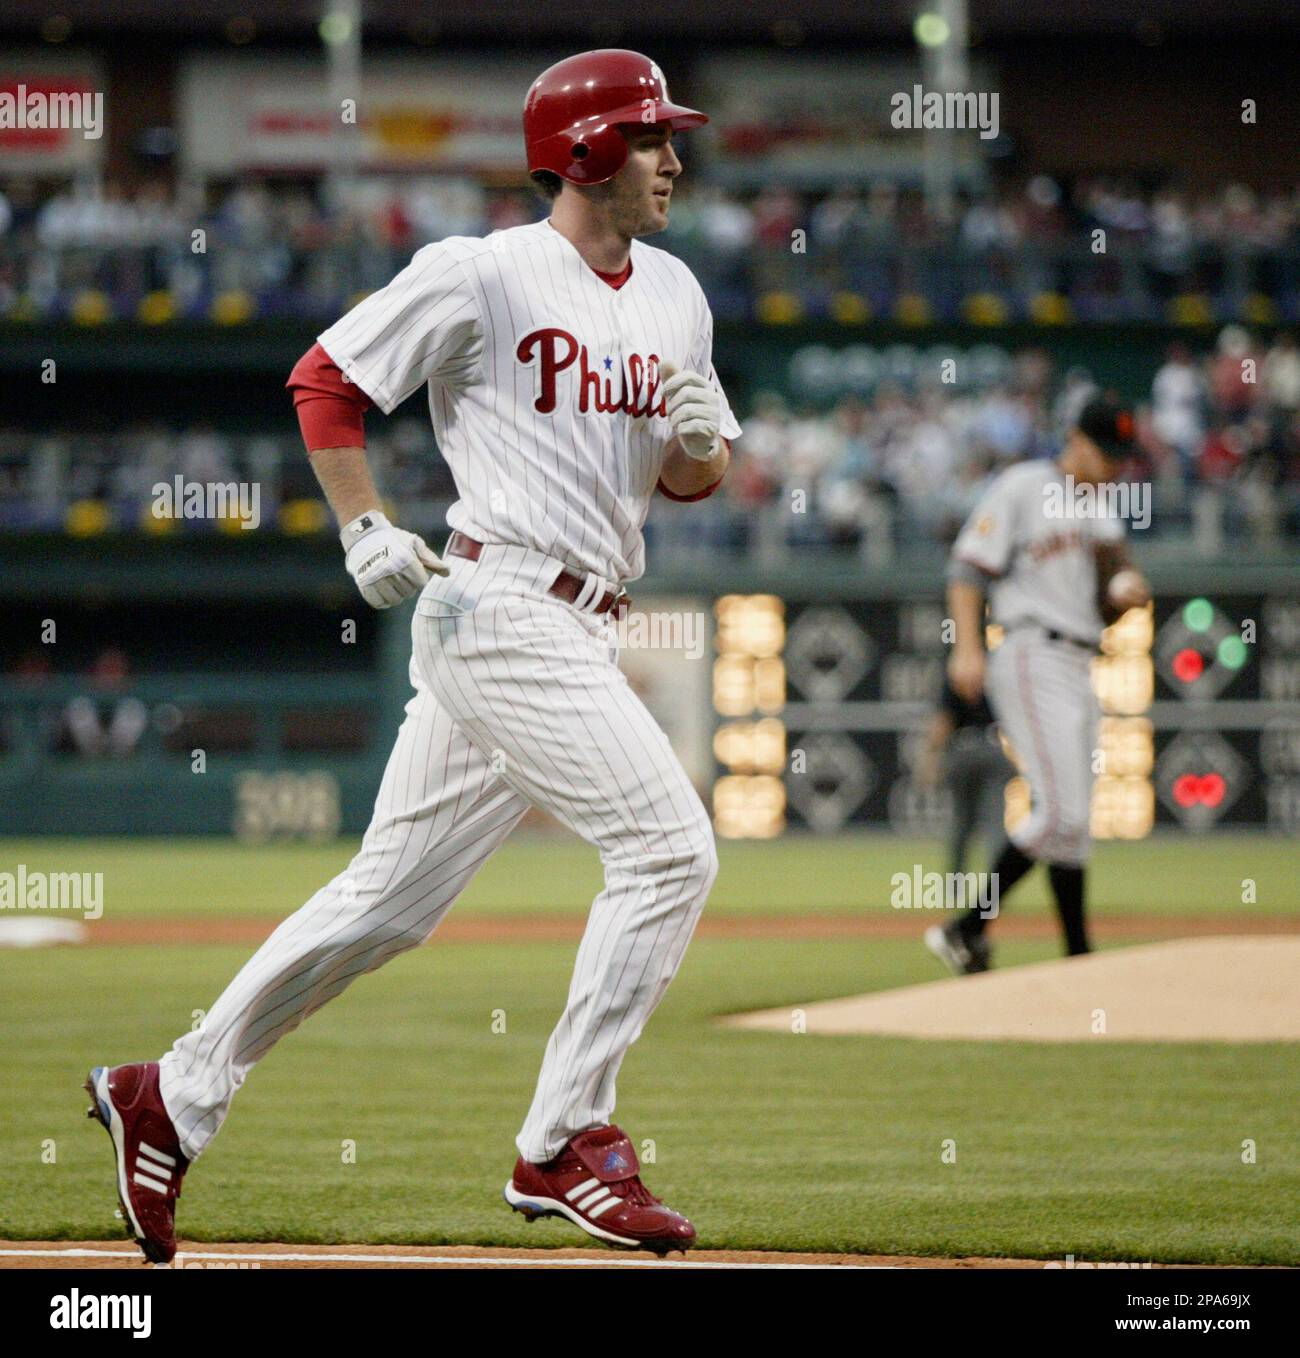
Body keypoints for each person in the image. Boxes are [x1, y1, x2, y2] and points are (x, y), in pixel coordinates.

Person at [84, 49, 741, 1262]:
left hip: (584, 609)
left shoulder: (677, 295)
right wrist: (363, 524)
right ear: (587, 148)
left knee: (384, 903)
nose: (672, 158)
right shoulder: (484, 272)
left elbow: (684, 481)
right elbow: (325, 378)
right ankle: (563, 1138)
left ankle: (169, 1092)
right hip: (497, 600)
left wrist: (702, 448)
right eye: (650, 138)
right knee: (668, 848)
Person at [925, 396, 1150, 975]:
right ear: (1075, 439)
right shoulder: (1025, 485)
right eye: (1106, 452)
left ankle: (1077, 958)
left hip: (1079, 659)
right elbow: (967, 568)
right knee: (1058, 815)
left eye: (1120, 455)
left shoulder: (1102, 509)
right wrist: (968, 649)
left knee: (1074, 825)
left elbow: (1107, 602)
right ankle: (964, 929)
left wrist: (1125, 594)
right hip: (1030, 651)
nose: (1114, 465)